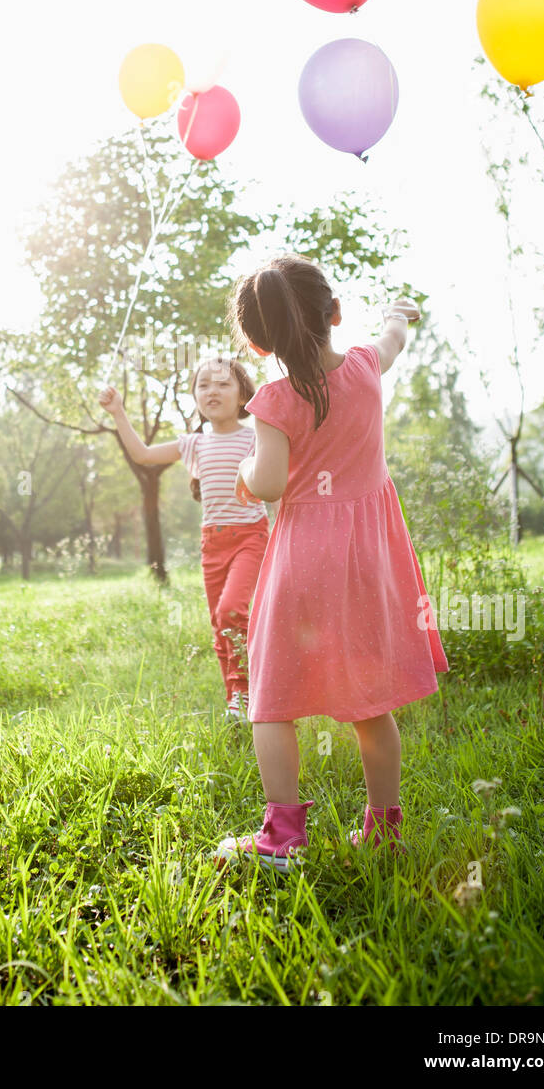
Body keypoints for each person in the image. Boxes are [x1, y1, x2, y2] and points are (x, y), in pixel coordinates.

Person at [212, 253, 449, 871]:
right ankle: (384, 829)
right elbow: (392, 339)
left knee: (271, 697)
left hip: (303, 560)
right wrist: (397, 314)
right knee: (371, 701)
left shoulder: (273, 400)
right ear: (335, 313)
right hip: (369, 557)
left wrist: (243, 470)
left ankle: (282, 838)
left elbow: (267, 483)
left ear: (258, 345)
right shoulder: (367, 366)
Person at [98, 356, 277, 721]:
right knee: (219, 623)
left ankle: (247, 689)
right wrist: (118, 412)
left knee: (232, 611)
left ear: (243, 395)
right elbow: (142, 454)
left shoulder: (256, 438)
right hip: (212, 542)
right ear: (195, 396)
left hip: (251, 538)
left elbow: (278, 483)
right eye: (203, 385)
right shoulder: (194, 444)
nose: (212, 391)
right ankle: (236, 699)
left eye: (223, 384)